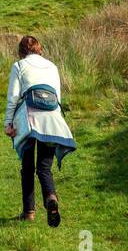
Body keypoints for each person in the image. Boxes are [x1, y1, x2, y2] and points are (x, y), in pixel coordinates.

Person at [4, 35, 76, 226]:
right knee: (44, 167)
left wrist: (8, 123)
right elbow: (58, 97)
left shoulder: (19, 66)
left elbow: (13, 97)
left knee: (27, 167)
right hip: (51, 118)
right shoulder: (52, 67)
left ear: (21, 51)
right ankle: (51, 197)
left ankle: (29, 212)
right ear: (39, 49)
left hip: (28, 119)